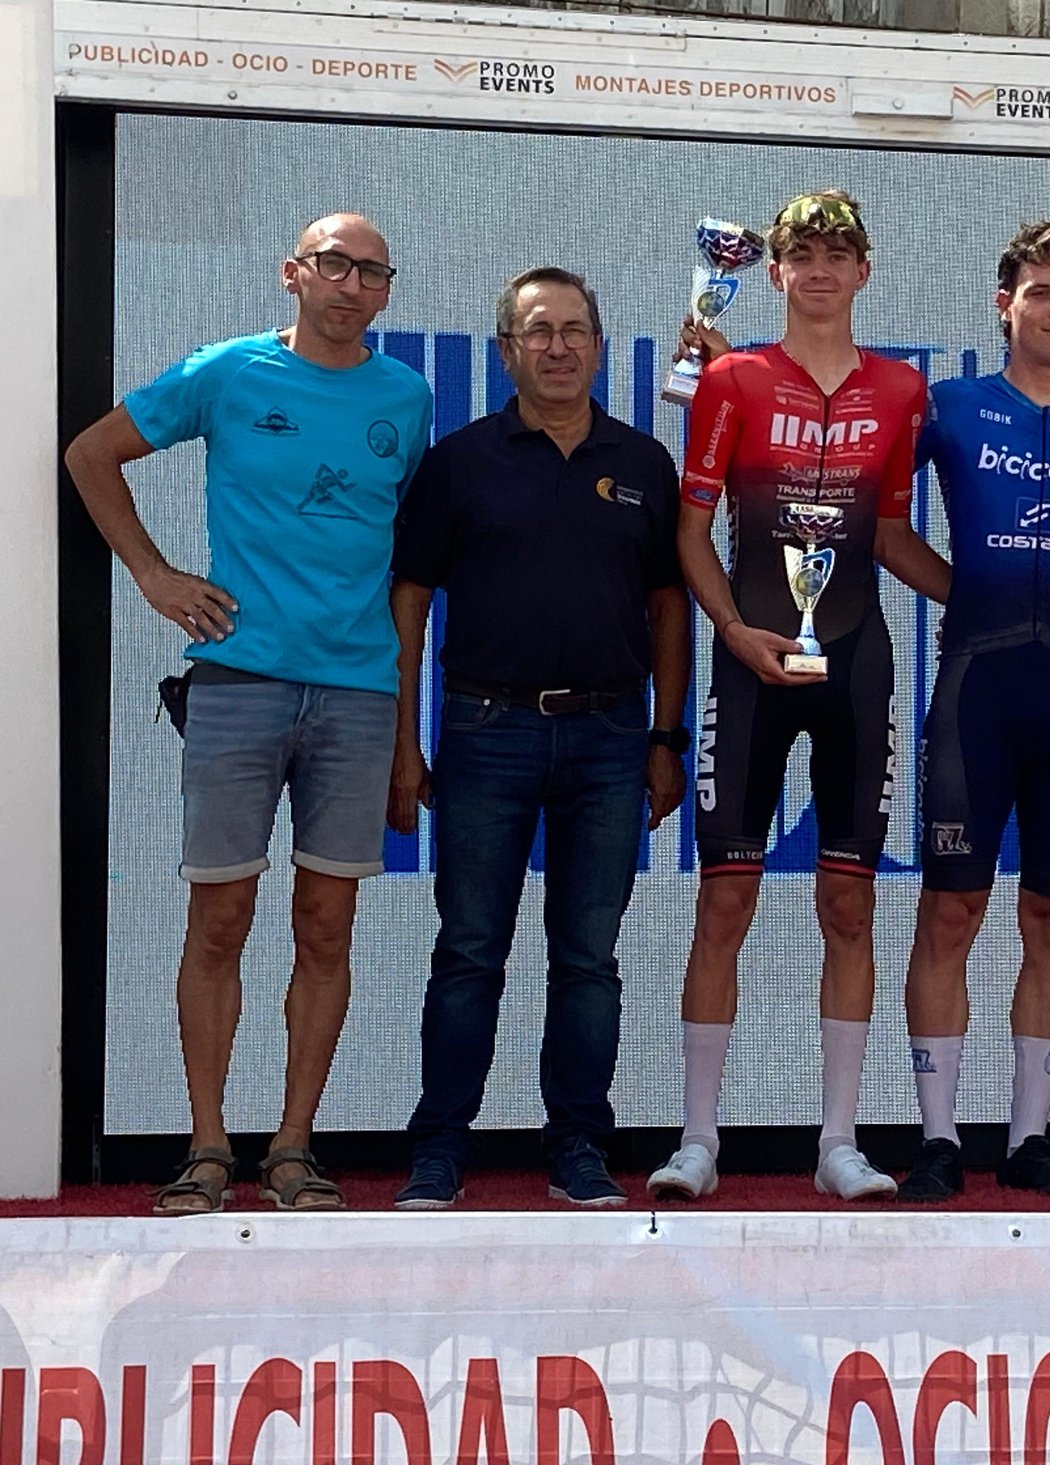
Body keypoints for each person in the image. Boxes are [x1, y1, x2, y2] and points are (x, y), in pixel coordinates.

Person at [64, 213, 432, 1212]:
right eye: (334, 266)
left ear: (386, 291)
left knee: (326, 927)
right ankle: (208, 1146)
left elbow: (411, 567)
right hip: (239, 683)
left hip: (358, 691)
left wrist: (405, 733)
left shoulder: (406, 396)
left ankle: (295, 1148)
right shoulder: (226, 371)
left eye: (371, 272)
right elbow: (91, 454)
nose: (351, 285)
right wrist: (152, 572)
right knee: (218, 920)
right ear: (293, 274)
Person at [649, 189, 950, 1203]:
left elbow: (894, 536)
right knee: (722, 898)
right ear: (771, 274)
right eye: (800, 256)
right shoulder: (730, 378)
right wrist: (733, 630)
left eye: (838, 254)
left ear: (865, 270)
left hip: (857, 658)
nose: (819, 271)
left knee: (848, 904)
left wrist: (989, 597)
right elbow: (690, 533)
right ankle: (698, 1140)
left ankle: (838, 1143)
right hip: (750, 658)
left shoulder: (903, 391)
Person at [385, 267, 689, 1210]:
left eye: (574, 330)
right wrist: (405, 743)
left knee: (588, 959)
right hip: (485, 734)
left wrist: (666, 735)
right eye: (537, 331)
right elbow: (410, 606)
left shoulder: (643, 464)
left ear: (599, 344)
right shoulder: (459, 462)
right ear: (506, 350)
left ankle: (578, 1149)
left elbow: (669, 605)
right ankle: (438, 1150)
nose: (557, 346)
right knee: (470, 948)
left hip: (609, 737)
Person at [897, 217, 1050, 1202]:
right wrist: (961, 590)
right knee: (950, 911)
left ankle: (1031, 1138)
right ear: (1005, 304)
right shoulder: (948, 407)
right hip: (977, 686)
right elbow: (872, 524)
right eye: (1039, 293)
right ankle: (934, 1138)